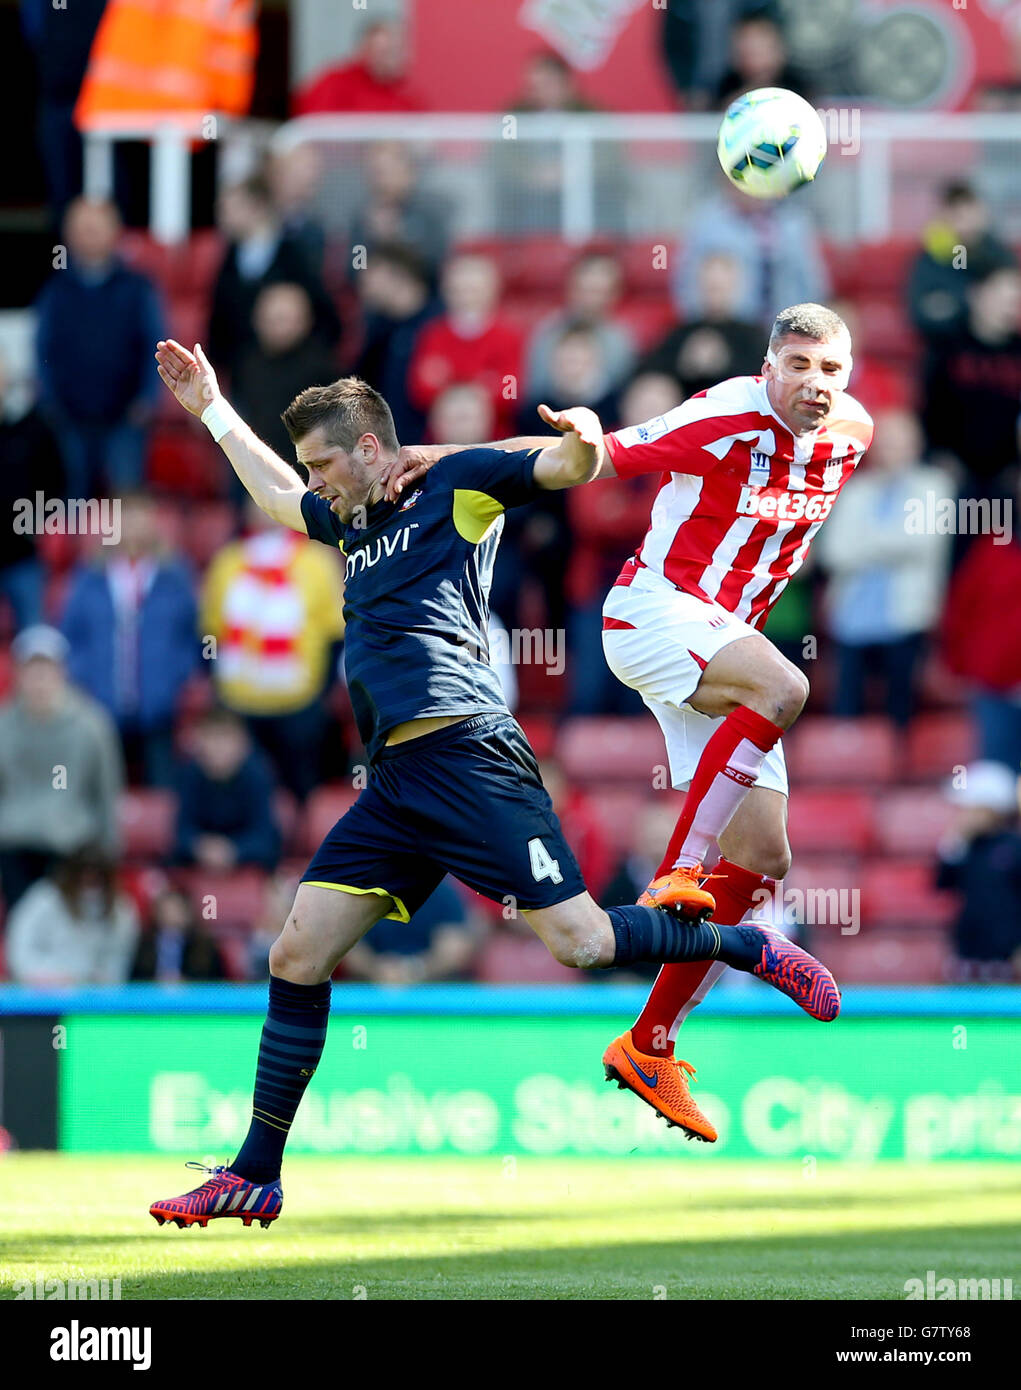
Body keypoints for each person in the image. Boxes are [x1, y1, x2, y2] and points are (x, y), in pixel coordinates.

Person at [146, 339, 838, 1227]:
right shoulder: (347, 513)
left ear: (368, 448)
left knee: (581, 944)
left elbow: (560, 465)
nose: (312, 480)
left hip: (471, 754)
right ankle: (255, 1172)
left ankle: (747, 948)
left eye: (324, 461)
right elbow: (280, 499)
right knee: (296, 954)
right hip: (397, 778)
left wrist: (585, 440)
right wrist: (211, 408)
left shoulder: (452, 486)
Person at [392, 301, 865, 1142]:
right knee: (784, 690)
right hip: (652, 615)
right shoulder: (726, 412)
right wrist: (428, 457)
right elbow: (577, 460)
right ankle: (674, 870)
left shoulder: (852, 434)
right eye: (796, 365)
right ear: (767, 369)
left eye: (829, 369)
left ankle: (648, 1045)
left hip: (724, 649)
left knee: (762, 857)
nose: (813, 384)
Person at [200, 499, 345, 801]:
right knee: (244, 796)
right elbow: (210, 631)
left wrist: (320, 695)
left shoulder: (317, 561)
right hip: (238, 704)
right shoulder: (227, 561)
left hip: (301, 705)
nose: (265, 510)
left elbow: (335, 634)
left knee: (303, 791)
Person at [816, 408, 952, 728]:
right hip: (851, 616)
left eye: (901, 442)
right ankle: (847, 768)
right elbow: (835, 553)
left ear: (916, 445)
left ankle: (898, 767)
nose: (893, 450)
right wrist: (892, 540)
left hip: (906, 616)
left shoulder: (935, 486)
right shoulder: (854, 489)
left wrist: (865, 542)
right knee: (846, 707)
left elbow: (924, 542)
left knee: (901, 706)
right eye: (887, 443)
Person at [60, 491, 199, 786]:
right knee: (104, 786)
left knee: (163, 786)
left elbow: (192, 633)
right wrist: (84, 679)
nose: (133, 527)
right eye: (125, 519)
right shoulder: (90, 574)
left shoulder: (174, 574)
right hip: (102, 703)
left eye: (140, 518)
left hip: (159, 706)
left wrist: (176, 677)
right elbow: (72, 634)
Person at [35, 197, 164, 497]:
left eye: (94, 228)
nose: (86, 236)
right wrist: (50, 403)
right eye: (80, 229)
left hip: (126, 419)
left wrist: (146, 399)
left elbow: (154, 345)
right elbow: (42, 349)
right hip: (70, 420)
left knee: (127, 500)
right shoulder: (56, 290)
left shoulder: (137, 287)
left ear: (114, 232)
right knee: (73, 501)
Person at [0, 625, 123, 909]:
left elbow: (106, 792)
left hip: (70, 844)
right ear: (18, 674)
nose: (39, 680)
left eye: (46, 670)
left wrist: (109, 853)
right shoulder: (4, 726)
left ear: (62, 672)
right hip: (12, 843)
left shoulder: (91, 726)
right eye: (31, 671)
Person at [207, 177, 340, 384]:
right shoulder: (228, 259)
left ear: (256, 207)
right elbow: (219, 321)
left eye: (230, 208)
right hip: (243, 374)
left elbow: (323, 313)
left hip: (292, 373)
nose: (223, 216)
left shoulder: (293, 254)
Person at [939, 470, 1021, 774]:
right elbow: (960, 611)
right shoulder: (992, 548)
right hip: (994, 687)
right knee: (996, 776)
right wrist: (960, 664)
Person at [674, 184, 829, 327]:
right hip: (733, 329)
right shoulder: (707, 224)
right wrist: (704, 328)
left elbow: (812, 283)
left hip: (789, 330)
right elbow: (687, 285)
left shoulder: (795, 223)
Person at [407, 253, 523, 436]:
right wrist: (482, 384)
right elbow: (421, 389)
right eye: (458, 290)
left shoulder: (508, 336)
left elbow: (510, 393)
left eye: (474, 289)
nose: (467, 297)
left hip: (496, 441)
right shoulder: (433, 334)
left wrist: (454, 387)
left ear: (493, 291)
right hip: (439, 440)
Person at [232, 282, 340, 468]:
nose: (273, 327)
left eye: (281, 319)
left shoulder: (322, 370)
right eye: (267, 319)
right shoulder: (248, 363)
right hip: (254, 467)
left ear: (304, 321)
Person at [935, 762, 1021, 983]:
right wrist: (954, 844)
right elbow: (941, 884)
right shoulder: (965, 847)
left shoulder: (1014, 847)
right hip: (968, 950)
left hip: (1005, 954)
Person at [5, 848, 139, 986]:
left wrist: (99, 981)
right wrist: (45, 977)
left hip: (93, 996)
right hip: (42, 990)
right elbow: (20, 949)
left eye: (98, 876)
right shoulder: (44, 900)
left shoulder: (120, 909)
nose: (90, 879)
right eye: (84, 874)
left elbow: (118, 960)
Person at [172, 707, 281, 873]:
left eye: (224, 739)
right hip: (200, 860)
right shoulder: (190, 773)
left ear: (242, 744)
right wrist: (201, 846)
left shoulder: (258, 775)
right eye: (211, 738)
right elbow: (182, 831)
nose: (217, 748)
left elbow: (265, 836)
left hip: (249, 863)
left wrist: (233, 850)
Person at [0, 350, 64, 631]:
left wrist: (33, 524)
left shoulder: (33, 427)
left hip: (21, 555)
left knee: (35, 636)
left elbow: (56, 481)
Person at [906, 182, 1015, 348]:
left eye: (971, 213)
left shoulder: (999, 255)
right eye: (958, 216)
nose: (967, 224)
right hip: (948, 348)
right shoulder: (931, 260)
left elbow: (1010, 305)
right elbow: (921, 313)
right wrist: (973, 304)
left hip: (999, 349)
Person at [640, 252, 762, 398]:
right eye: (710, 286)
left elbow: (761, 382)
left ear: (735, 287)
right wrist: (685, 363)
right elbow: (650, 373)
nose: (715, 293)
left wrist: (724, 363)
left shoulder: (753, 336)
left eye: (720, 287)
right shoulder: (679, 333)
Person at [355, 242, 439, 442]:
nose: (363, 283)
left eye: (372, 273)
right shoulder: (378, 327)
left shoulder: (437, 324)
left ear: (398, 274)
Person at [526, 252, 636, 405]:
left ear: (614, 294)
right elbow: (535, 390)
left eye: (598, 291)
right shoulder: (548, 333)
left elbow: (625, 397)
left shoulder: (621, 341)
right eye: (585, 289)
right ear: (570, 288)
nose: (591, 299)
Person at [342, 877, 482, 984]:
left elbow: (455, 950)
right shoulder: (368, 892)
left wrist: (418, 969)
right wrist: (376, 969)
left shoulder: (443, 893)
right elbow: (349, 948)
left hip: (433, 989)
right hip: (374, 990)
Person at [292, 18, 424, 115]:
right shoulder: (334, 83)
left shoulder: (408, 96)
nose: (391, 60)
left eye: (398, 50)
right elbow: (314, 128)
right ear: (364, 49)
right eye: (385, 52)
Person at [131, 885, 226, 982]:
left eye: (176, 910)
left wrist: (187, 982)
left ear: (188, 913)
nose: (170, 916)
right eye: (165, 911)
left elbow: (216, 983)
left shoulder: (205, 947)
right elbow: (134, 979)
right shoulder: (144, 945)